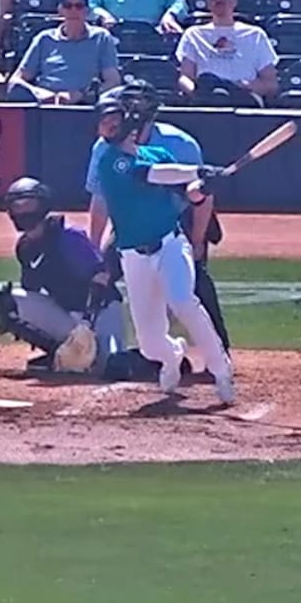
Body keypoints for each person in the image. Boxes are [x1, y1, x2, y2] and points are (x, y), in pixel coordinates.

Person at [90, 81, 235, 401]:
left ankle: (221, 368)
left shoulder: (159, 153)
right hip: (133, 255)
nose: (106, 126)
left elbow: (186, 193)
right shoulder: (110, 160)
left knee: (183, 300)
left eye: (112, 119)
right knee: (149, 343)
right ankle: (172, 356)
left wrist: (201, 186)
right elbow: (154, 175)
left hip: (170, 244)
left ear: (129, 121)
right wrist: (198, 170)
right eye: (103, 121)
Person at [0, 178, 128, 376]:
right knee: (6, 301)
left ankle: (155, 361)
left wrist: (87, 321)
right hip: (66, 312)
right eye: (17, 207)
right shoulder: (25, 248)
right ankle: (58, 353)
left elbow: (101, 276)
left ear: (43, 205)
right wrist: (1, 328)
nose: (23, 212)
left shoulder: (69, 237)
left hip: (101, 310)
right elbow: (30, 293)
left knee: (110, 367)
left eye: (29, 205)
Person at [8, 0, 121, 103]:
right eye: (68, 6)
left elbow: (112, 81)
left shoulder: (101, 38)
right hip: (46, 106)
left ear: (87, 10)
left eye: (79, 6)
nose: (73, 10)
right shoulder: (44, 38)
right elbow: (16, 80)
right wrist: (39, 94)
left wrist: (82, 96)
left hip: (85, 107)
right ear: (60, 10)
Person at [175, 0, 277, 106]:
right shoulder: (193, 34)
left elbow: (271, 83)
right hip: (207, 100)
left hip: (243, 100)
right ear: (207, 3)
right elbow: (185, 77)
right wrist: (197, 92)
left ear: (234, 0)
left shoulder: (255, 35)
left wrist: (245, 86)